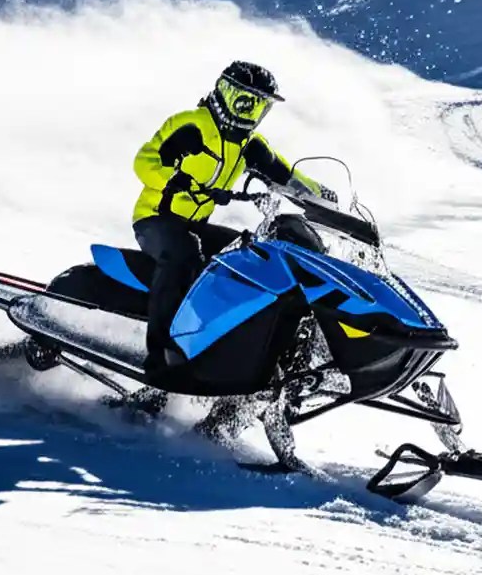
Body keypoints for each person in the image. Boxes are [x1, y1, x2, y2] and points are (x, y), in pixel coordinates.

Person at [131, 60, 335, 375]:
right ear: (224, 93)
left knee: (251, 258)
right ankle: (161, 359)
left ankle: (232, 349)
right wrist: (173, 179)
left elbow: (285, 174)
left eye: (258, 105)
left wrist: (321, 195)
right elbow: (145, 161)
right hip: (156, 219)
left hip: (194, 225)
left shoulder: (249, 145)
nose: (249, 110)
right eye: (244, 100)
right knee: (182, 256)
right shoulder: (193, 125)